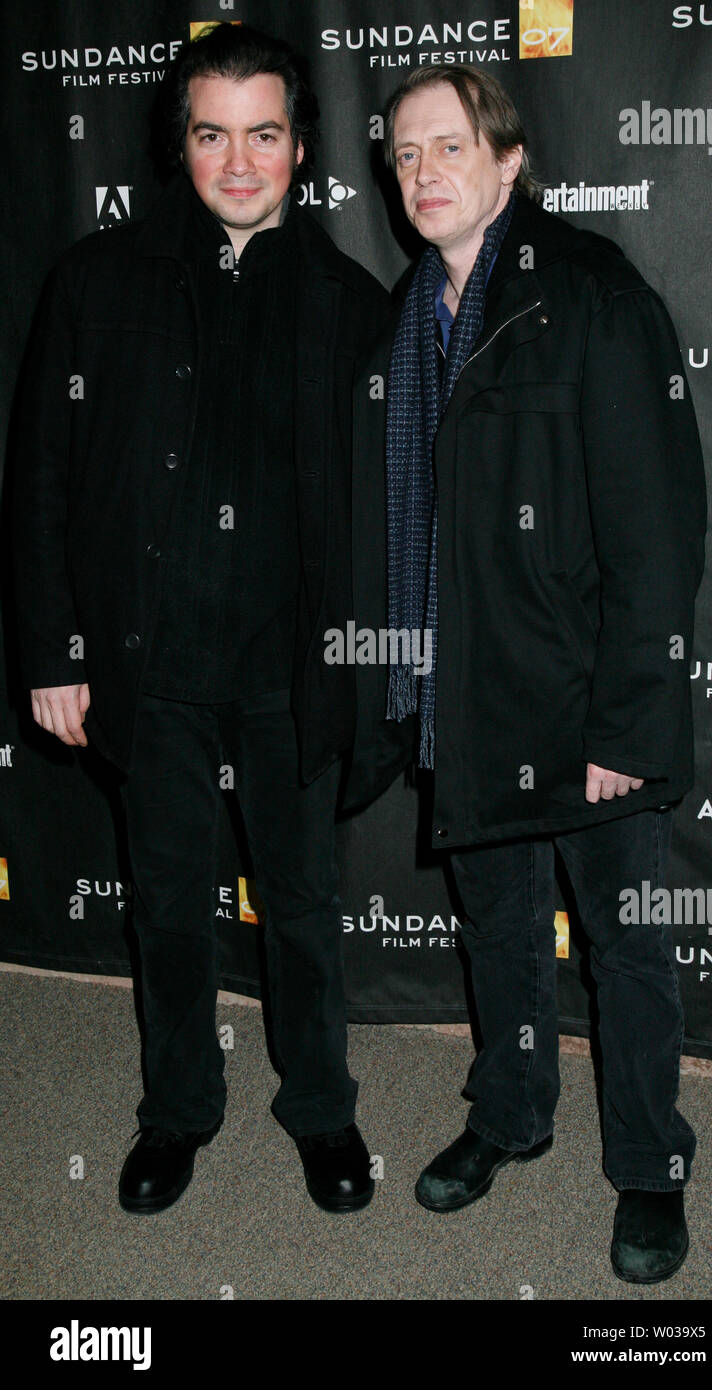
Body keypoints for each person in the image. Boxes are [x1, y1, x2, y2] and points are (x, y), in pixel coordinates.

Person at [13, 23, 389, 1216]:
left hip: (289, 673)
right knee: (169, 911)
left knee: (307, 913)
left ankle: (322, 1108)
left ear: (300, 146)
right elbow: (42, 480)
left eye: (264, 133)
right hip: (151, 667)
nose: (239, 161)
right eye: (213, 133)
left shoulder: (350, 303)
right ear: (178, 144)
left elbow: (388, 521)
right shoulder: (95, 281)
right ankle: (176, 1110)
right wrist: (55, 649)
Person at [346, 64, 706, 1283]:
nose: (423, 172)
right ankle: (510, 1112)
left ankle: (651, 1164)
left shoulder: (593, 297)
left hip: (580, 698)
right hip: (469, 694)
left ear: (508, 162)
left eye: (449, 147)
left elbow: (657, 535)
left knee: (627, 949)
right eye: (403, 154)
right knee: (498, 928)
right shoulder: (408, 311)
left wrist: (630, 723)